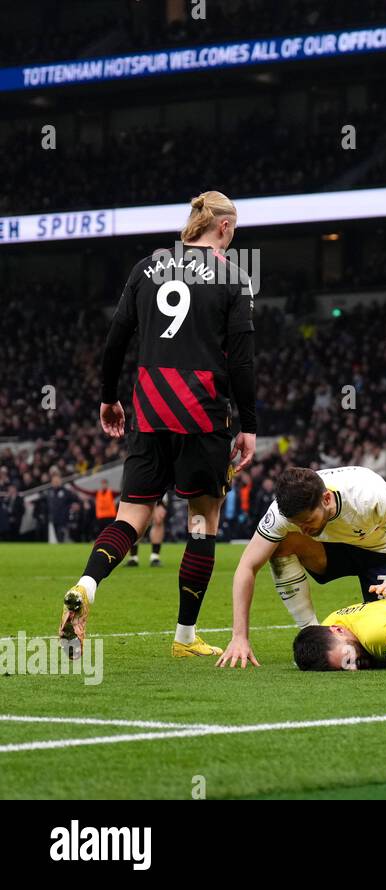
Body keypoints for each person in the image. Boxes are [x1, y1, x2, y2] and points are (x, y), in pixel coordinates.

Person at [58, 191, 258, 659]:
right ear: (224, 228)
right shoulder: (232, 277)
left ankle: (87, 584)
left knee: (131, 516)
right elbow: (243, 362)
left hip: (149, 407)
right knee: (201, 522)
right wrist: (248, 424)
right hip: (203, 412)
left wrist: (109, 398)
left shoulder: (146, 267)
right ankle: (185, 638)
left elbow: (115, 341)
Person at [217, 466, 386, 668]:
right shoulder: (281, 513)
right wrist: (239, 637)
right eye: (297, 524)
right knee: (281, 543)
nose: (303, 529)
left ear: (326, 499)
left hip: (385, 552)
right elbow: (247, 566)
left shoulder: (368, 496)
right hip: (334, 549)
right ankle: (311, 629)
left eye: (308, 521)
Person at [126, 494, 168, 567]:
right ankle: (133, 557)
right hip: (137, 491)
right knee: (135, 521)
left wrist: (161, 503)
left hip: (158, 490)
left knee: (158, 520)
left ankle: (155, 557)